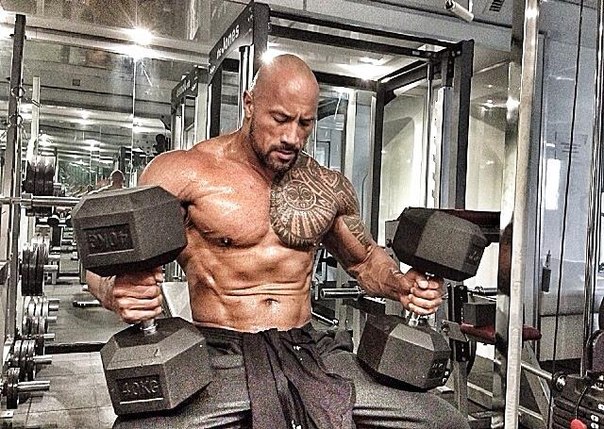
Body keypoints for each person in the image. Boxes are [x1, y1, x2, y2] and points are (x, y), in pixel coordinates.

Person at [87, 54, 470, 429]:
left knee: (443, 421)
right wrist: (115, 292)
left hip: (309, 348)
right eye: (281, 119)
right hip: (221, 350)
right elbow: (105, 261)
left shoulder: (327, 186)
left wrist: (402, 285)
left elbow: (366, 260)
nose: (292, 137)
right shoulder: (186, 173)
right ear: (249, 104)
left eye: (305, 123)